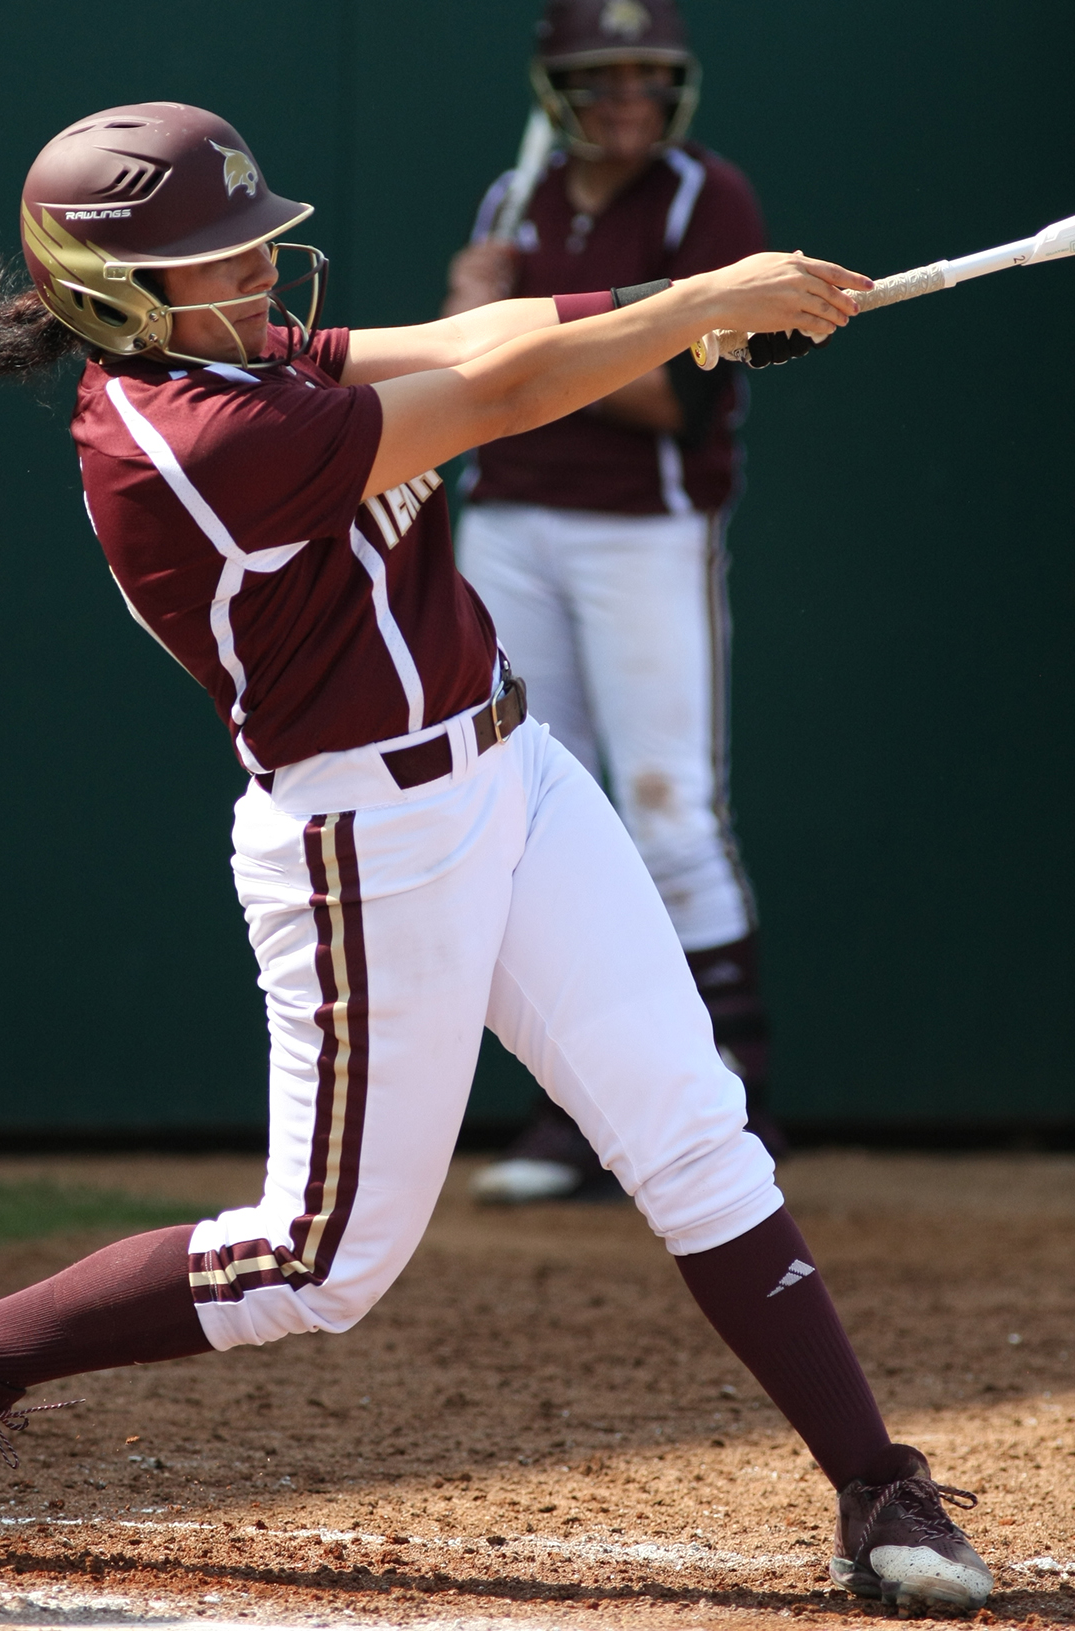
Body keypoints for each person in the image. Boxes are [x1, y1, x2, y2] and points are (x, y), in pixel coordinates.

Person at [0, 101, 992, 1613]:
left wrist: (691, 302)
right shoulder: (195, 439)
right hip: (362, 836)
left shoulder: (238, 355)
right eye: (216, 258)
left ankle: (877, 1484)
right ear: (118, 293)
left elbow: (487, 326)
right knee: (318, 1261)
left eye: (255, 241)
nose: (258, 273)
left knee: (689, 1123)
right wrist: (703, 302)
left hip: (511, 766)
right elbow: (499, 391)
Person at [447, 0, 789, 1203]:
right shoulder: (509, 204)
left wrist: (506, 341)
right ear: (561, 91)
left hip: (644, 530)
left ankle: (737, 1098)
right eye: (604, 77)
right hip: (510, 523)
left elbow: (671, 402)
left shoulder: (709, 203)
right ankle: (577, 1118)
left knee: (665, 801)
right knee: (528, 812)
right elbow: (456, 379)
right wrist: (476, 317)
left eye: (650, 74)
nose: (629, 97)